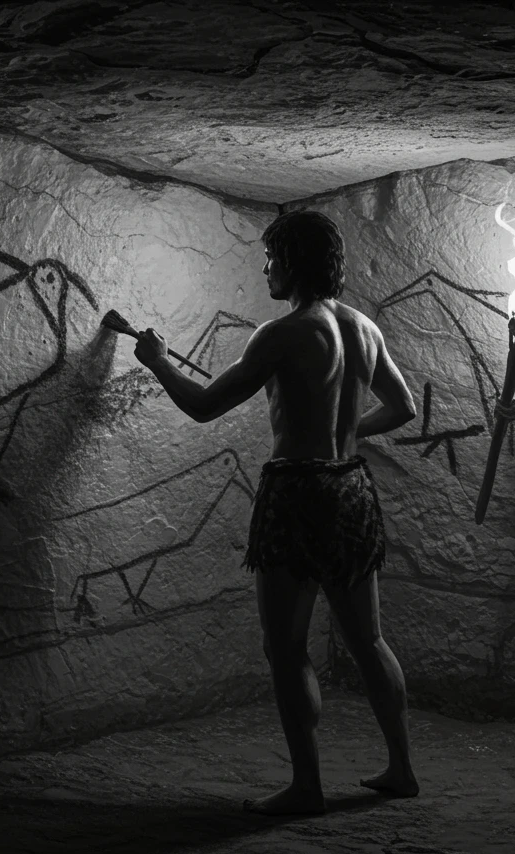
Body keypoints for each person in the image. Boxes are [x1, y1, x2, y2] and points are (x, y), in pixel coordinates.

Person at [133, 208, 419, 815]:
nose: (265, 268)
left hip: (295, 492)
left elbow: (205, 406)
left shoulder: (282, 333)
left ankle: (306, 787)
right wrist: (344, 437)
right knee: (368, 638)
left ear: (290, 261)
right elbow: (404, 408)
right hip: (349, 488)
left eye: (269, 257)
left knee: (286, 646)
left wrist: (158, 360)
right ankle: (400, 768)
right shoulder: (364, 329)